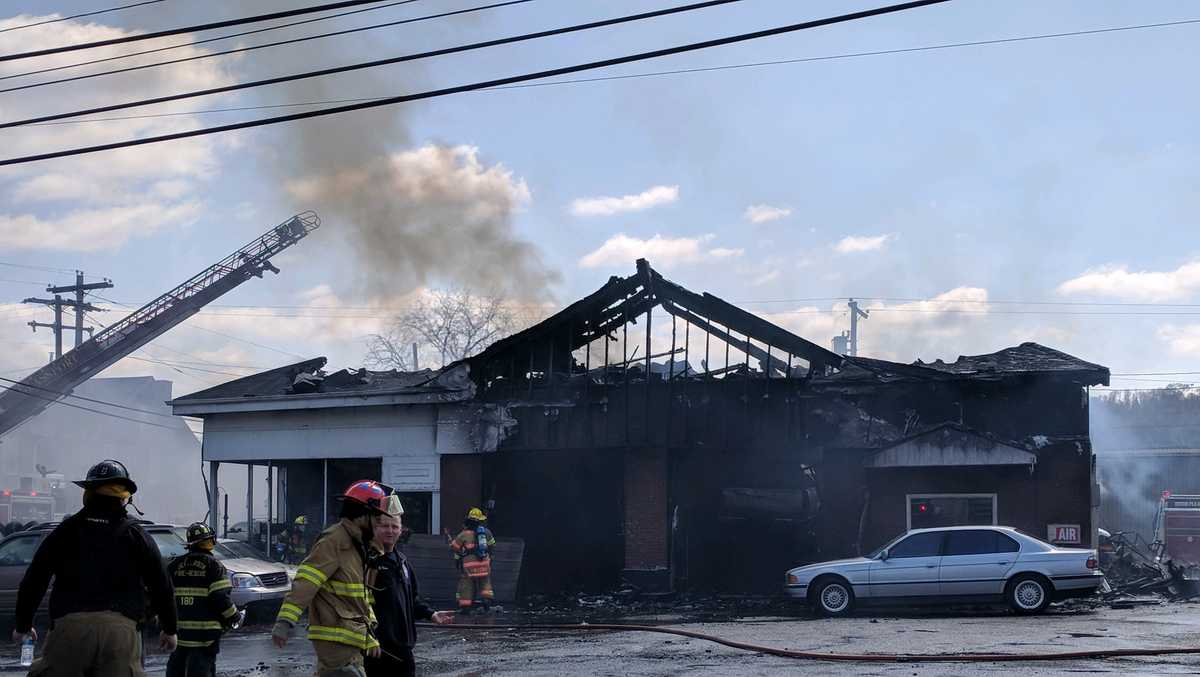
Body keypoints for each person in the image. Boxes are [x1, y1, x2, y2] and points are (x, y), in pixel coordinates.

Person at [12, 459, 177, 676]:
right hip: (121, 632)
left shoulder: (65, 531)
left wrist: (23, 625)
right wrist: (170, 629)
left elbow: (35, 580)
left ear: (88, 494)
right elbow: (161, 585)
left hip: (69, 628)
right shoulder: (137, 535)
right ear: (124, 499)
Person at [273, 480, 393, 677]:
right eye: (377, 517)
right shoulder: (335, 540)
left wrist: (369, 633)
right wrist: (285, 621)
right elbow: (307, 581)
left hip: (350, 636)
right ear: (364, 514)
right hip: (335, 638)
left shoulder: (357, 545)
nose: (380, 523)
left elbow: (357, 598)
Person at [365, 496, 452, 677]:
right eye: (385, 526)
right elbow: (357, 604)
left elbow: (411, 600)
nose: (390, 530)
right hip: (376, 650)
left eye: (394, 526)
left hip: (403, 649)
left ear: (401, 530)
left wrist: (431, 614)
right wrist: (369, 638)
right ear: (375, 528)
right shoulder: (368, 562)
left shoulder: (403, 562)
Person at [166, 522, 243, 677]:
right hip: (205, 637)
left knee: (176, 670)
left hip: (179, 634)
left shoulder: (174, 565)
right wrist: (235, 616)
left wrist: (165, 626)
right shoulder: (213, 565)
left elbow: (165, 597)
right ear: (210, 541)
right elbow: (221, 598)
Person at [449, 507, 497, 613]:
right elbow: (492, 545)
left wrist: (454, 547)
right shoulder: (487, 532)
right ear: (481, 520)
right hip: (484, 564)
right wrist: (490, 558)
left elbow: (455, 547)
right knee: (485, 583)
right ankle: (486, 601)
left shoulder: (464, 534)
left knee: (467, 584)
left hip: (469, 566)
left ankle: (465, 607)